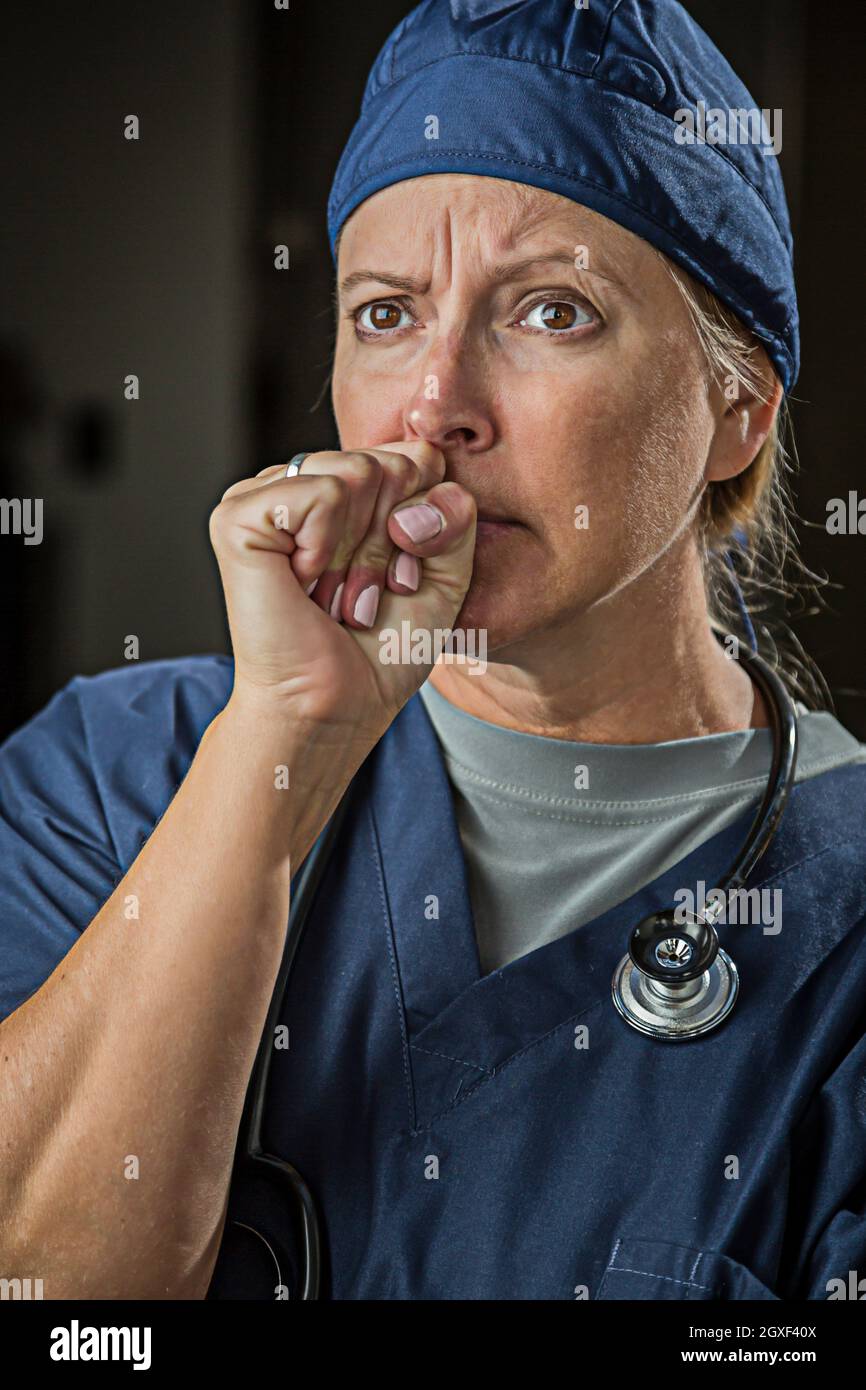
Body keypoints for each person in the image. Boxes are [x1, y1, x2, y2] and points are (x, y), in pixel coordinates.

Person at [1, 0, 865, 1302]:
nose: (434, 404)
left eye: (552, 313)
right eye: (387, 313)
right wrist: (283, 743)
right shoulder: (113, 777)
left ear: (734, 406)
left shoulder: (843, 924)